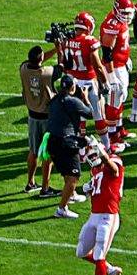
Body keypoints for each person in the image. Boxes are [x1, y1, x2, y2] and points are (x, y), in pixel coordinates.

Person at [74, 139, 124, 275]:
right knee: (81, 252)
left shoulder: (114, 160)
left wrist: (102, 153)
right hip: (94, 215)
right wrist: (88, 189)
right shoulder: (95, 170)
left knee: (98, 255)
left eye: (94, 153)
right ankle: (110, 270)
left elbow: (114, 170)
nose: (92, 157)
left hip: (108, 217)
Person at [45, 76, 92, 218]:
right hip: (66, 142)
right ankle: (61, 209)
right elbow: (90, 113)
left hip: (51, 141)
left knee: (66, 172)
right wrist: (86, 98)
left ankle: (71, 194)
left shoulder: (54, 100)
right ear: (73, 87)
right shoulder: (73, 101)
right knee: (73, 176)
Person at [19, 45, 56, 196]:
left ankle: (30, 182)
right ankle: (45, 188)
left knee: (33, 151)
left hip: (32, 115)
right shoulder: (46, 73)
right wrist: (58, 48)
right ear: (41, 59)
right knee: (47, 153)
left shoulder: (23, 69)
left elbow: (36, 60)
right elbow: (61, 66)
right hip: (46, 118)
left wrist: (52, 50)